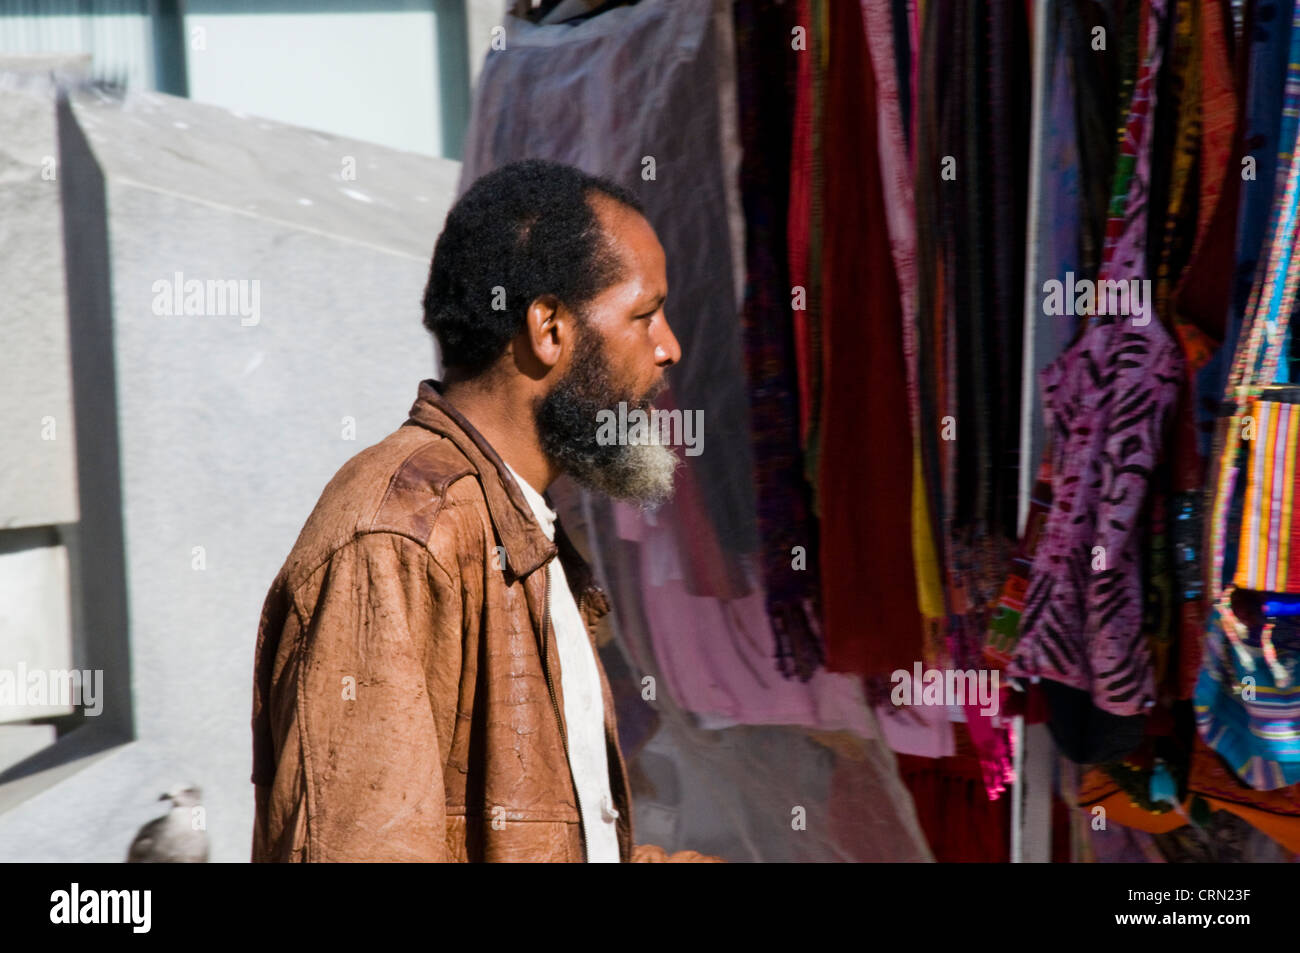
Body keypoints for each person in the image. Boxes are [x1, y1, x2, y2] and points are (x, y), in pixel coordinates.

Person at [250, 158, 720, 862]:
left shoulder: (521, 523)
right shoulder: (394, 540)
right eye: (644, 315)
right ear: (550, 329)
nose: (668, 347)